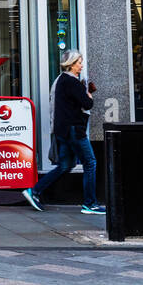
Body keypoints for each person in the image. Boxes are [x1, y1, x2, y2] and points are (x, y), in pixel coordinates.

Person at [22, 50, 103, 214]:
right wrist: (88, 95)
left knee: (65, 165)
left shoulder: (61, 81)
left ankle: (34, 191)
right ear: (72, 64)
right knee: (90, 163)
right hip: (74, 130)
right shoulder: (72, 82)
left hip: (63, 130)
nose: (81, 65)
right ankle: (90, 203)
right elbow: (87, 104)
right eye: (79, 62)